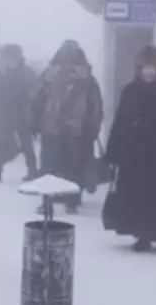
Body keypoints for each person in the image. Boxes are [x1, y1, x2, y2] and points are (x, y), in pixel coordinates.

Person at [104, 45, 156, 254]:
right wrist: (114, 153)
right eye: (145, 68)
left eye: (153, 68)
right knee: (137, 195)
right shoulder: (131, 90)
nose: (149, 72)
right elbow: (120, 122)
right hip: (135, 153)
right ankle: (142, 235)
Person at [30, 40, 103, 213]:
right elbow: (96, 106)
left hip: (63, 128)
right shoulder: (86, 78)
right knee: (64, 166)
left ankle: (58, 200)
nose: (67, 62)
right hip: (67, 129)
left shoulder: (50, 76)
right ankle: (64, 200)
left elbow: (36, 100)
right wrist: (93, 127)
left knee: (58, 165)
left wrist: (34, 120)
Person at [0, 44, 39, 182]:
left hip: (22, 114)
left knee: (26, 144)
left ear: (17, 57)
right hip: (8, 113)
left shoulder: (25, 73)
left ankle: (32, 171)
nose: (7, 60)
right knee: (1, 142)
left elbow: (33, 93)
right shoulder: (7, 73)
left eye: (9, 57)